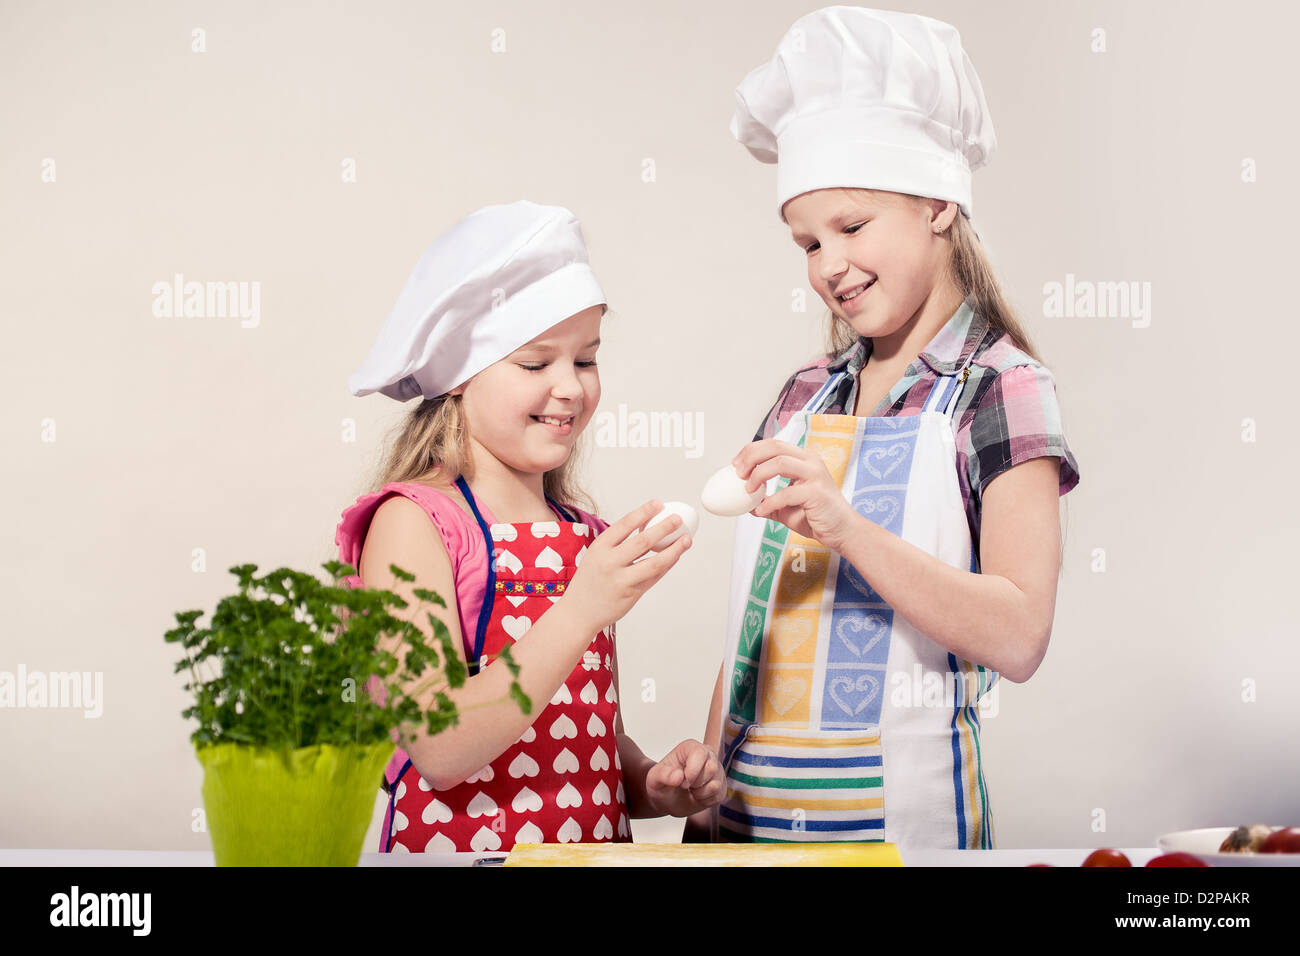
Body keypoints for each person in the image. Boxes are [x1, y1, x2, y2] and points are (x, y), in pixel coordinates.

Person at [685, 7, 1081, 848]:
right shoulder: (802, 395)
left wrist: (848, 528)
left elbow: (1018, 636)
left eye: (851, 226)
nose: (828, 265)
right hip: (742, 832)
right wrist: (706, 769)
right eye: (805, 242)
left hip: (901, 845)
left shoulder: (1001, 389)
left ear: (938, 202)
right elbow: (761, 611)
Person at [336, 201, 724, 853]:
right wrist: (579, 610)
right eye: (535, 363)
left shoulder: (584, 535)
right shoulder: (414, 523)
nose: (570, 388)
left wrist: (653, 784)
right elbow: (438, 745)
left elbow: (588, 740)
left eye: (586, 359)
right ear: (460, 376)